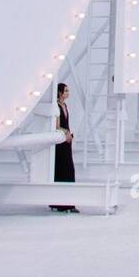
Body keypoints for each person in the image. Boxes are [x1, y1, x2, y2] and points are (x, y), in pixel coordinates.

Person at [49, 82, 78, 212]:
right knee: (62, 169)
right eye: (66, 91)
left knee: (69, 170)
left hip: (67, 142)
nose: (68, 93)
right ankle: (61, 203)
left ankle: (68, 202)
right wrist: (66, 133)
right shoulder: (56, 106)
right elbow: (56, 126)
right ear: (60, 93)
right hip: (60, 143)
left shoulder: (64, 105)